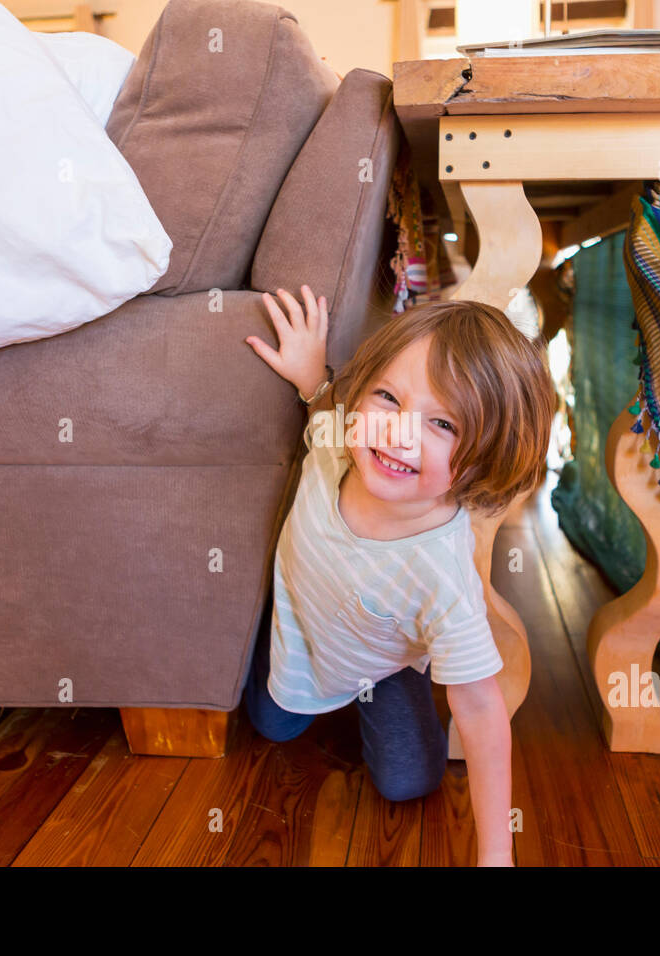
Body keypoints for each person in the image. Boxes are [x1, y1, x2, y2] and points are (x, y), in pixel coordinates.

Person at [243, 285, 556, 866]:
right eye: (388, 396)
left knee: (409, 782)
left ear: (487, 458)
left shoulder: (442, 578)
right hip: (298, 630)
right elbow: (326, 409)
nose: (398, 433)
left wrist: (495, 856)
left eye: (443, 424)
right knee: (271, 726)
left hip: (380, 667)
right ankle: (284, 668)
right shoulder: (343, 444)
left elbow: (483, 712)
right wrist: (312, 378)